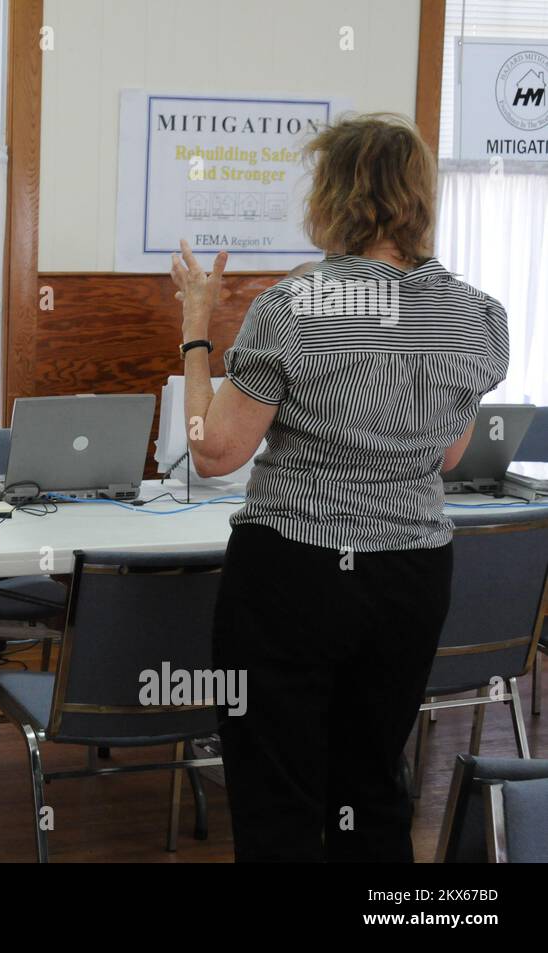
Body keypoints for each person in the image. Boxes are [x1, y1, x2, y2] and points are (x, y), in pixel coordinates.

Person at [168, 113, 509, 862]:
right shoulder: (477, 316)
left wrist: (197, 329)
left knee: (277, 792)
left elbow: (214, 452)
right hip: (413, 574)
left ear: (335, 197)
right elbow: (449, 455)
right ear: (418, 198)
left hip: (295, 573)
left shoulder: (294, 308)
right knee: (374, 786)